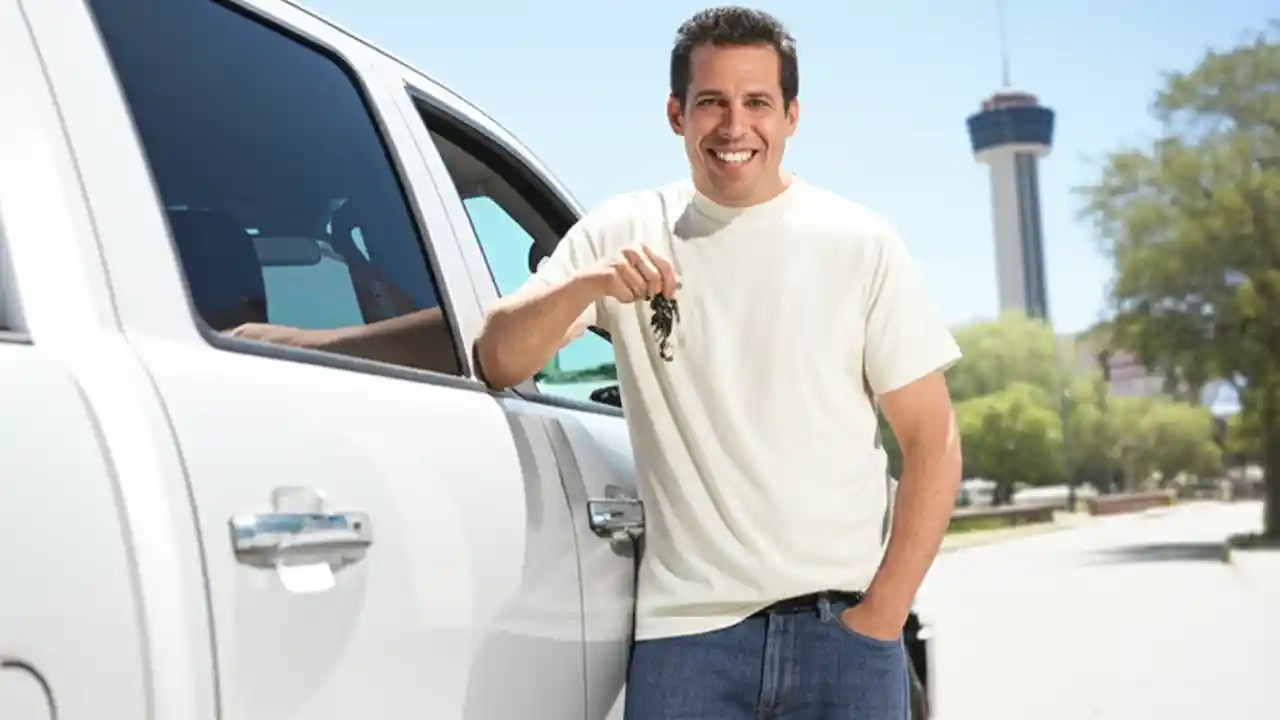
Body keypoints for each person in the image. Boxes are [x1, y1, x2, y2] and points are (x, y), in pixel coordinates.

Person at [474, 6, 963, 718]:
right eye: (712, 103)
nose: (735, 128)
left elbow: (933, 440)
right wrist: (589, 284)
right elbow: (497, 359)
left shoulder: (860, 243)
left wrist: (882, 615)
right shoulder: (625, 229)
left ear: (792, 115)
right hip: (687, 641)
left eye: (757, 102)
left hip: (845, 636)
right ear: (677, 114)